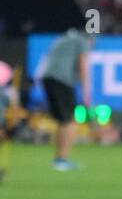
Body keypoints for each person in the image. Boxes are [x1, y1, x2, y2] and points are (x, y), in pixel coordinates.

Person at [40, 28, 94, 170]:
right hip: (62, 80)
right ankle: (62, 159)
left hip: (48, 78)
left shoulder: (63, 38)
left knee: (62, 121)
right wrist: (87, 94)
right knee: (70, 120)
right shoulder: (82, 41)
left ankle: (58, 158)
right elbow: (83, 65)